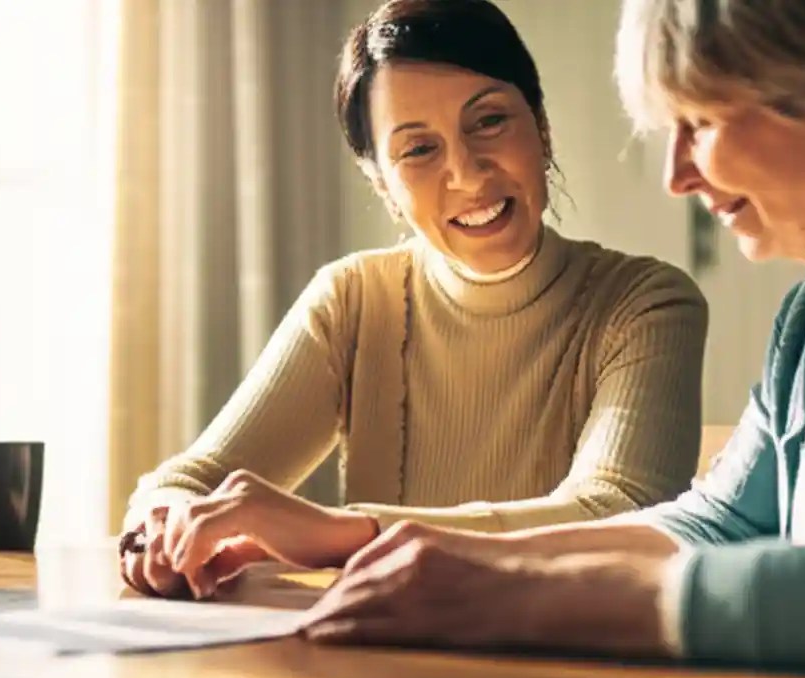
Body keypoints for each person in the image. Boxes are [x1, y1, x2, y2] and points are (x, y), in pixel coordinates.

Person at [298, 0, 805, 678]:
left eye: (697, 122)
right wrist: (444, 559)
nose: (677, 177)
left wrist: (521, 599)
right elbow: (715, 522)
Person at [122, 0, 707, 602]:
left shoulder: (647, 304)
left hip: (564, 672)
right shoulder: (351, 301)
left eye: (489, 123)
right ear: (383, 185)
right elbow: (188, 481)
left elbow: (619, 516)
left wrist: (337, 531)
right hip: (382, 666)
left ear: (542, 128)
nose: (468, 173)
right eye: (418, 150)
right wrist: (164, 531)